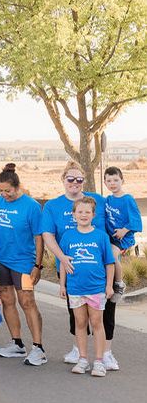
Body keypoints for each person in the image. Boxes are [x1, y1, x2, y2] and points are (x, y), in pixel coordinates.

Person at [41, 160, 105, 365]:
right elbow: (48, 235)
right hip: (68, 266)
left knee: (100, 316)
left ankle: (103, 355)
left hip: (96, 270)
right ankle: (79, 350)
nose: (75, 182)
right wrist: (62, 257)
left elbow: (107, 229)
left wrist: (120, 246)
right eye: (71, 179)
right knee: (76, 314)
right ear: (63, 179)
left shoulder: (97, 201)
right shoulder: (52, 205)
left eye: (79, 179)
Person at [0, 163, 46, 365]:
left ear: (17, 187)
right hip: (1, 261)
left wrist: (37, 266)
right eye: (1, 191)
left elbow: (39, 238)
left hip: (24, 263)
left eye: (8, 191)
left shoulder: (31, 206)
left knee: (27, 301)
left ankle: (38, 348)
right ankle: (17, 344)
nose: (4, 195)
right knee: (7, 300)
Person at [58, 197, 115, 377]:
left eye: (87, 212)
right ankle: (83, 359)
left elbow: (109, 263)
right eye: (80, 212)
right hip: (75, 288)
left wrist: (109, 286)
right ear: (73, 214)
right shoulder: (68, 237)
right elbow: (63, 262)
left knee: (97, 323)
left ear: (93, 215)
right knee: (80, 323)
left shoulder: (100, 236)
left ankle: (99, 361)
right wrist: (62, 285)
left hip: (96, 288)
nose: (83, 215)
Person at [103, 166, 142, 303]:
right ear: (105, 183)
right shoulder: (108, 199)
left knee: (112, 255)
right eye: (109, 180)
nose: (112, 183)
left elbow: (136, 220)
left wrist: (124, 230)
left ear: (122, 181)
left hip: (123, 237)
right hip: (110, 236)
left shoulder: (127, 199)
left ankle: (119, 283)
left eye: (116, 180)